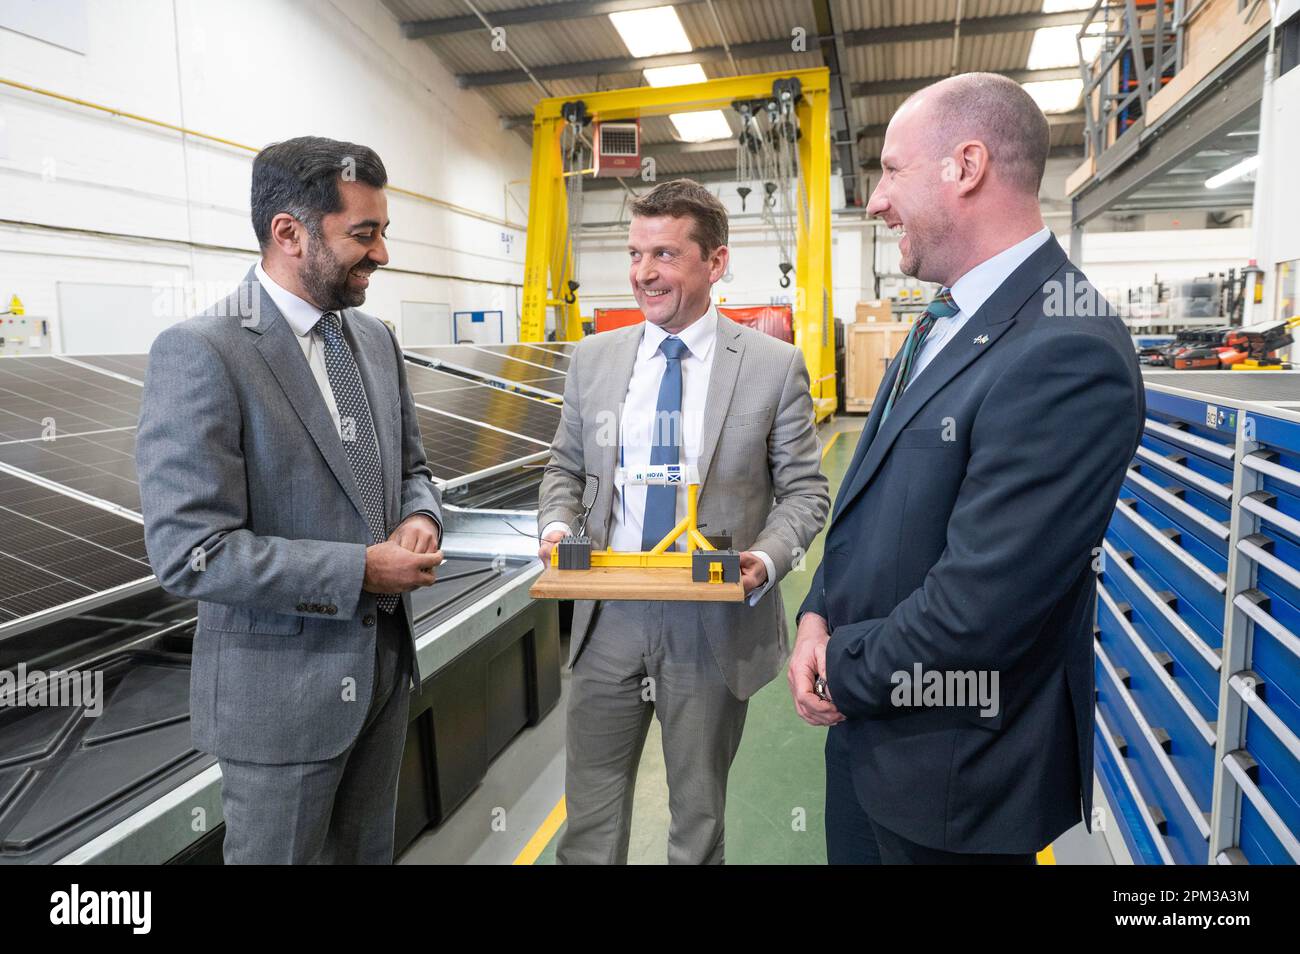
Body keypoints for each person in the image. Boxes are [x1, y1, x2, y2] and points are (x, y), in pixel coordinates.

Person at [789, 73, 1144, 864]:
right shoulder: (947, 316)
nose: (875, 203)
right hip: (870, 741)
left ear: (966, 165)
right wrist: (817, 611)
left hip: (952, 788)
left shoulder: (1065, 349)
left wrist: (839, 665)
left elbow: (982, 608)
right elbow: (871, 500)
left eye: (889, 170)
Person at [136, 136, 443, 864]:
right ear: (288, 233)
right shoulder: (202, 352)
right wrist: (360, 571)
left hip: (382, 678)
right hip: (279, 705)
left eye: (383, 232)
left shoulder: (373, 341)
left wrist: (421, 516)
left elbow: (413, 469)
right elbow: (191, 554)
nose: (383, 254)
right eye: (363, 235)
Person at [539, 178, 830, 864]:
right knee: (590, 816)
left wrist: (764, 559)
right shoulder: (594, 360)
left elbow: (805, 493)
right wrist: (557, 527)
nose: (644, 272)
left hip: (712, 618)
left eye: (666, 254)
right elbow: (563, 469)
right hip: (609, 612)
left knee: (696, 819)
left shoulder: (771, 366)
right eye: (636, 253)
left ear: (715, 261)